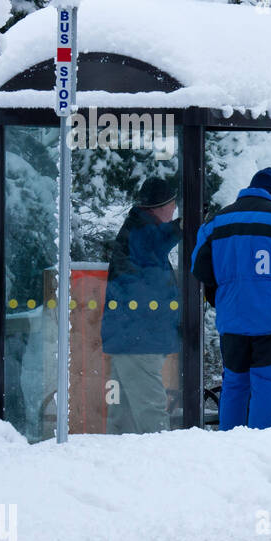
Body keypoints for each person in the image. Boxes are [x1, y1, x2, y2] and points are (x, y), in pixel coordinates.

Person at [191, 168, 271, 430]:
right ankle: (260, 443)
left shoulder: (216, 222)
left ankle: (230, 442)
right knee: (266, 383)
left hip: (232, 317)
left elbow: (200, 268)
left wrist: (220, 297)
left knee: (234, 382)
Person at [101, 176, 182, 434]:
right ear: (159, 207)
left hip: (128, 337)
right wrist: (183, 227)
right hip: (139, 338)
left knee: (122, 414)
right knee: (151, 411)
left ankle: (113, 465)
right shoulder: (141, 231)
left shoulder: (138, 230)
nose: (175, 209)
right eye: (173, 204)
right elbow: (158, 241)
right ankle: (160, 465)